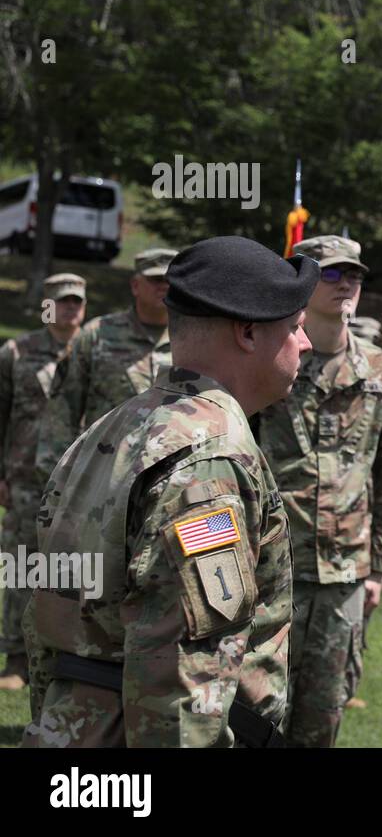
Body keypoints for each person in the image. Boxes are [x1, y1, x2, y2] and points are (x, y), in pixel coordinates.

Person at [22, 237, 317, 747]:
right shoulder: (211, 463)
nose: (306, 343)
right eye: (294, 327)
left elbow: (45, 622)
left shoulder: (114, 427)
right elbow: (186, 675)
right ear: (248, 333)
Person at [255, 234, 382, 748]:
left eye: (356, 275)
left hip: (345, 575)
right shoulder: (269, 365)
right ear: (301, 282)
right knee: (257, 709)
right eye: (331, 274)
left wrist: (379, 570)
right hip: (271, 571)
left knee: (325, 713)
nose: (347, 284)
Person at [0, 273, 86, 691]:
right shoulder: (17, 352)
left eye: (76, 302)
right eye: (62, 301)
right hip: (24, 478)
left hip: (78, 482)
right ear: (46, 306)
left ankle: (64, 658)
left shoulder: (95, 351)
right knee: (19, 568)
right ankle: (15, 657)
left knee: (70, 571)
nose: (70, 308)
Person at [36, 248, 177, 480]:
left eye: (169, 280)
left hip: (170, 476)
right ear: (135, 285)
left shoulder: (193, 338)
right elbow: (62, 410)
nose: (163, 286)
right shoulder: (98, 334)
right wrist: (57, 477)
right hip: (103, 477)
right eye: (155, 279)